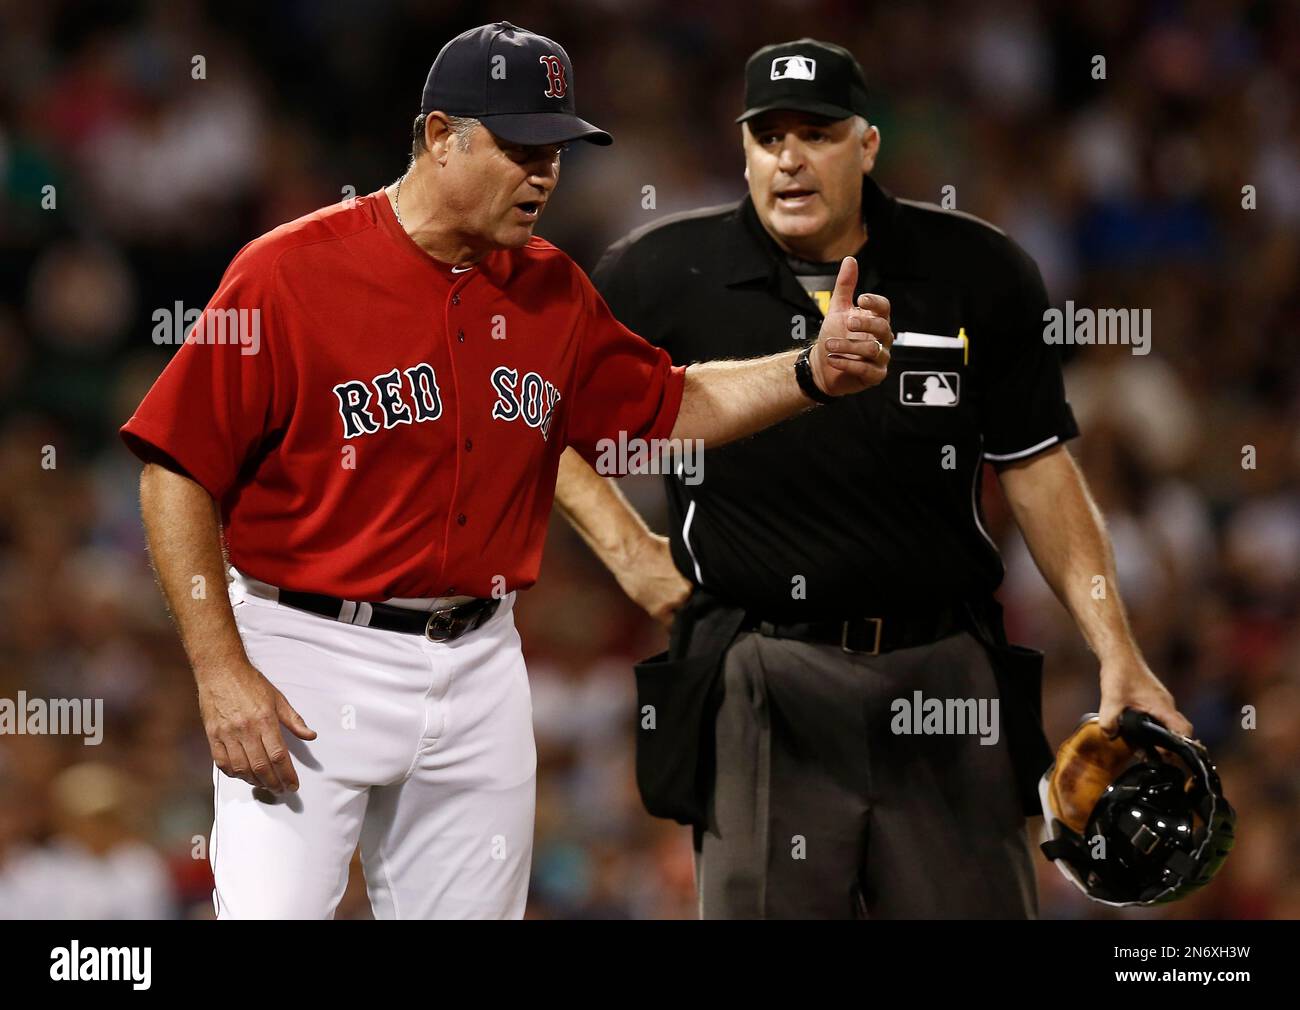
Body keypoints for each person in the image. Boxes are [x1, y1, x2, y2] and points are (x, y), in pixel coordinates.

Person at [118, 22, 891, 920]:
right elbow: (174, 465)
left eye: (557, 150)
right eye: (522, 147)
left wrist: (810, 372)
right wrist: (219, 668)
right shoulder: (288, 272)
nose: (545, 174)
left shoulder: (551, 288)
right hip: (309, 654)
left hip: (482, 657)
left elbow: (670, 405)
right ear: (442, 135)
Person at [554, 36, 1192, 919]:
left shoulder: (976, 269)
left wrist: (1117, 650)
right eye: (767, 135)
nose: (789, 158)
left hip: (944, 680)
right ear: (741, 150)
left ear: (867, 144)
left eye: (815, 133)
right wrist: (630, 553)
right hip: (762, 679)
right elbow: (537, 417)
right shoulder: (662, 272)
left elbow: (1039, 468)